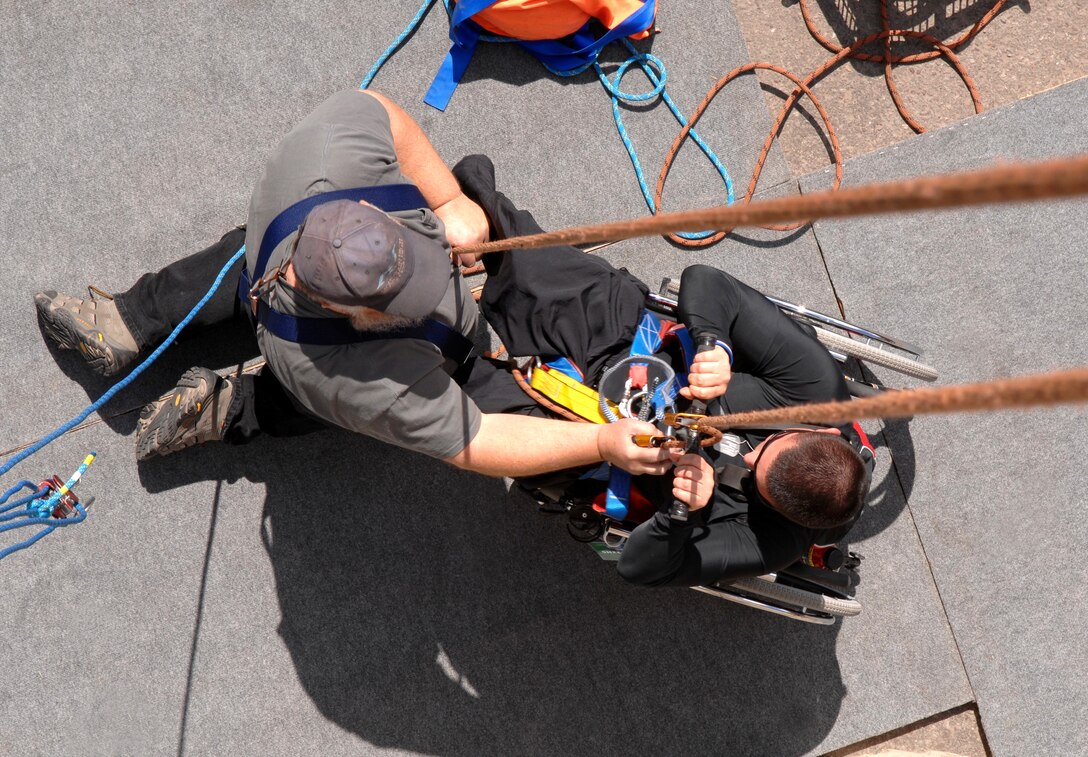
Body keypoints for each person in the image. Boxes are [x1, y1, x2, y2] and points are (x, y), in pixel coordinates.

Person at [33, 89, 668, 480]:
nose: (439, 275)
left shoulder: (332, 149)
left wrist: (447, 200)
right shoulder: (348, 374)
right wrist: (599, 441)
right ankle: (233, 406)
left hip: (275, 249)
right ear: (337, 308)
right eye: (399, 299)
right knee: (322, 402)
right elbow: (477, 439)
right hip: (311, 362)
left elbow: (381, 112)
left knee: (248, 252)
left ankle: (126, 320)